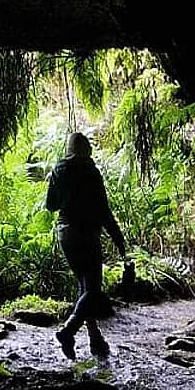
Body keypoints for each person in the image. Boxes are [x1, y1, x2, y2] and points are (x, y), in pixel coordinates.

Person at [45, 131, 126, 363]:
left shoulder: (58, 171)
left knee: (85, 287)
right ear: (88, 150)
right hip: (86, 234)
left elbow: (51, 205)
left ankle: (95, 339)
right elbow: (103, 211)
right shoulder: (91, 172)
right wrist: (118, 238)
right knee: (93, 289)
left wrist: (66, 196)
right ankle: (68, 331)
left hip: (65, 234)